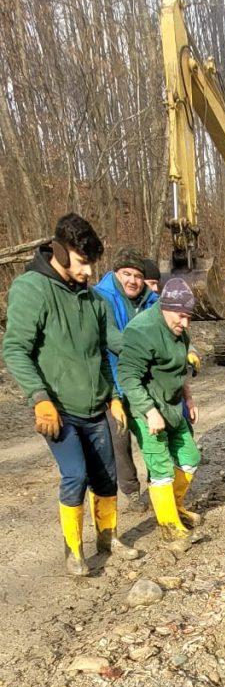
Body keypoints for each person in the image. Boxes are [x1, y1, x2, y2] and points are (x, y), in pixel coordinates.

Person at [2, 212, 137, 577]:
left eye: (92, 264)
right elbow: (15, 349)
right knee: (75, 475)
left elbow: (108, 350)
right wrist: (39, 397)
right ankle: (74, 551)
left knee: (106, 478)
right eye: (82, 262)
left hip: (96, 407)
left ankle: (108, 538)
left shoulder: (94, 301)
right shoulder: (31, 289)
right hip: (59, 411)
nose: (89, 272)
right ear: (59, 252)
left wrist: (114, 395)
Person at [117, 276, 201, 546]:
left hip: (173, 406)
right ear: (165, 306)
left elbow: (180, 370)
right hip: (147, 409)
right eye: (181, 316)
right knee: (160, 465)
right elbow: (128, 377)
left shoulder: (180, 329)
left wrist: (188, 399)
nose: (185, 323)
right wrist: (149, 411)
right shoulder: (141, 331)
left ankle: (174, 507)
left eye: (188, 317)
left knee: (190, 457)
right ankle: (168, 526)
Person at [94, 247, 156, 502]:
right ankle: (131, 490)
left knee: (153, 433)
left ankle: (157, 484)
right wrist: (150, 352)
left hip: (144, 379)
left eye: (138, 276)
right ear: (116, 273)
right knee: (119, 440)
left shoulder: (150, 299)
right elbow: (111, 338)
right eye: (126, 274)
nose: (133, 280)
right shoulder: (101, 297)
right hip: (112, 380)